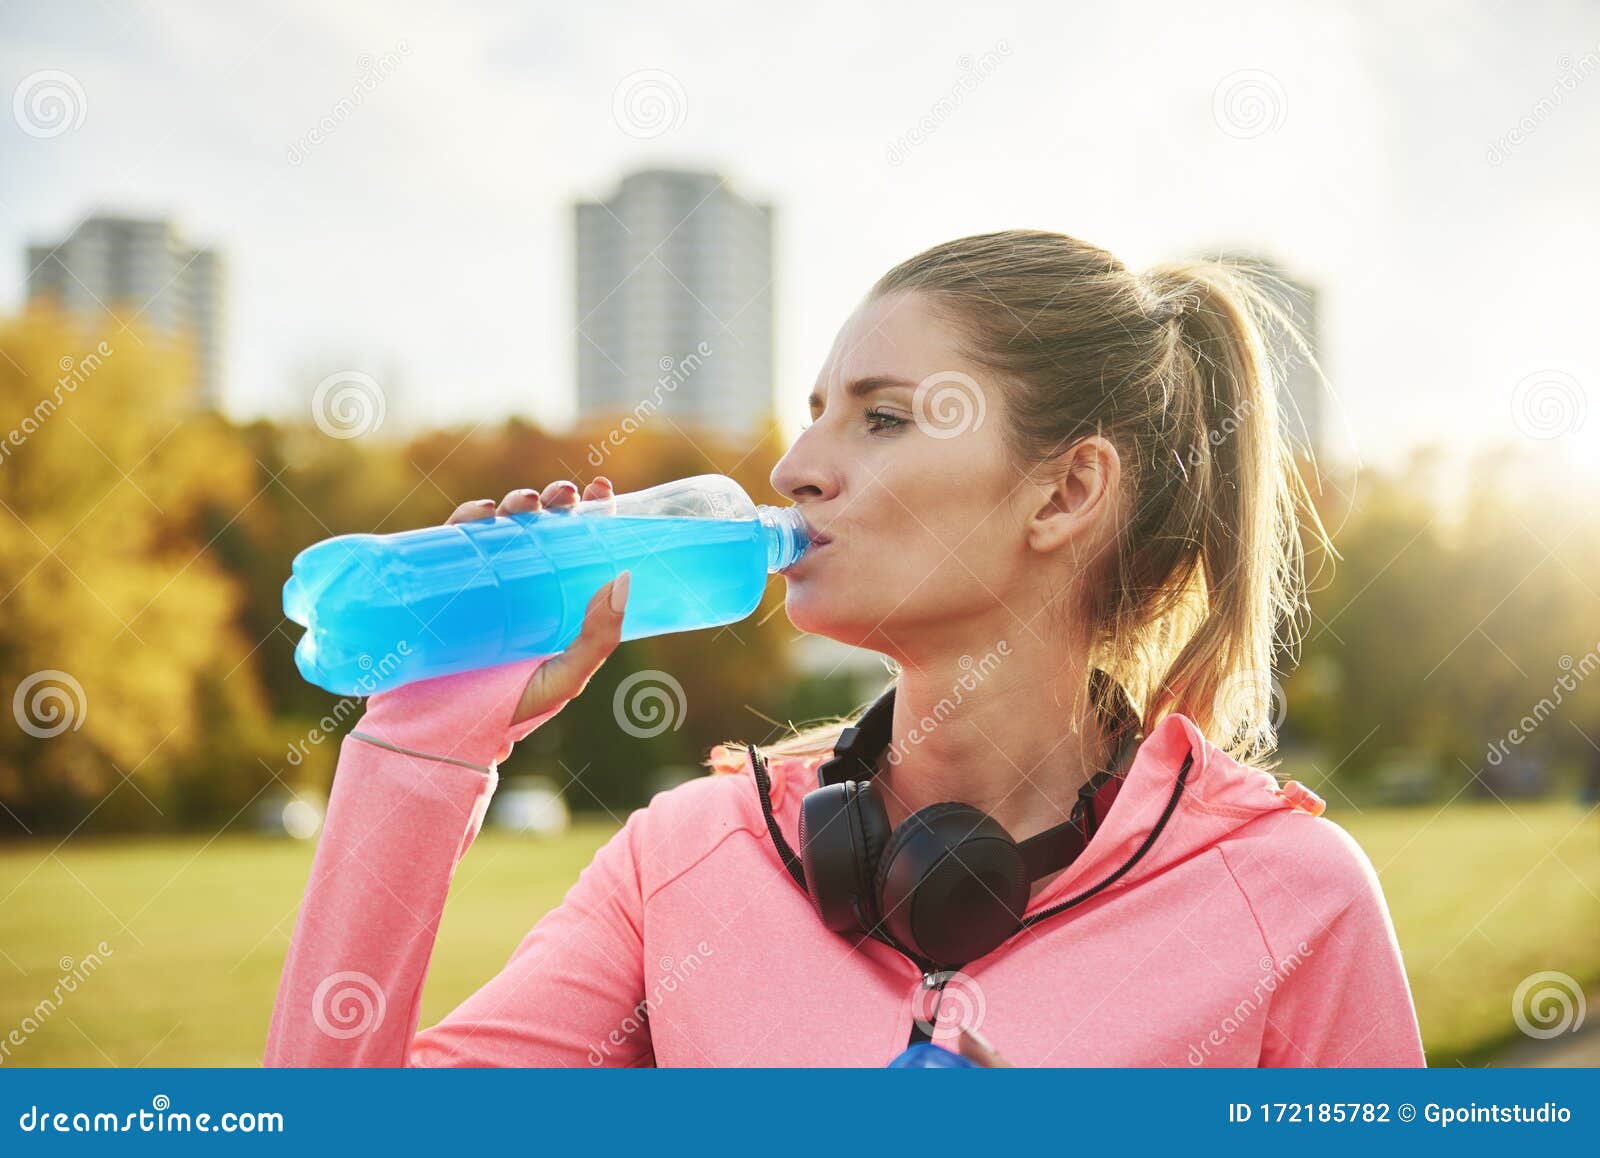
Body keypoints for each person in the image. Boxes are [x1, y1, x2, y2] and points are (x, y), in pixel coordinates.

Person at [264, 229, 1426, 1067]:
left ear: (1066, 492)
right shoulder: (686, 859)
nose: (794, 468)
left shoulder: (1289, 901)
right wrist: (427, 731)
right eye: (814, 410)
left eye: (880, 417)